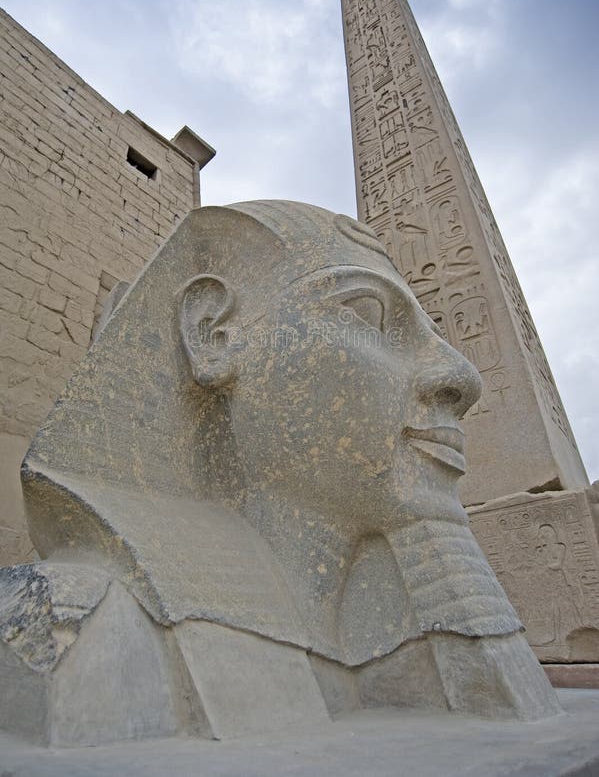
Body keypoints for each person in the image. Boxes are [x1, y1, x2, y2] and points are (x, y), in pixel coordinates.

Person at [0, 202, 560, 746]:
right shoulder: (80, 621)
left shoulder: (370, 645)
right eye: (368, 314)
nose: (462, 378)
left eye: (437, 337)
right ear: (213, 336)